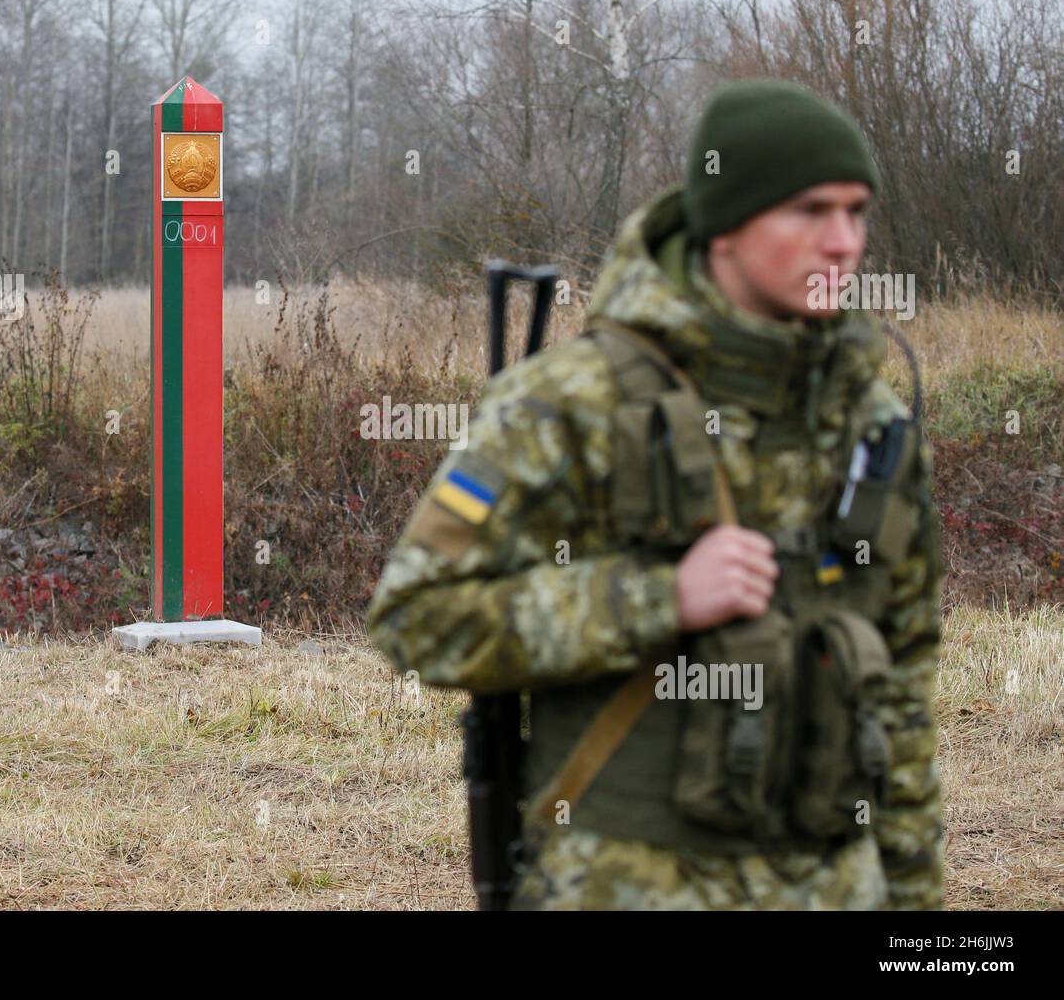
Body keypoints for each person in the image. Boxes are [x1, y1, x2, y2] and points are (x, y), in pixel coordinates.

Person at [365, 79, 946, 911]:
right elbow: (416, 615)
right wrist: (658, 597)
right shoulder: (573, 403)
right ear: (726, 225)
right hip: (627, 885)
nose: (843, 242)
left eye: (857, 212)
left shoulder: (872, 423)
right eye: (810, 210)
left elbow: (903, 690)